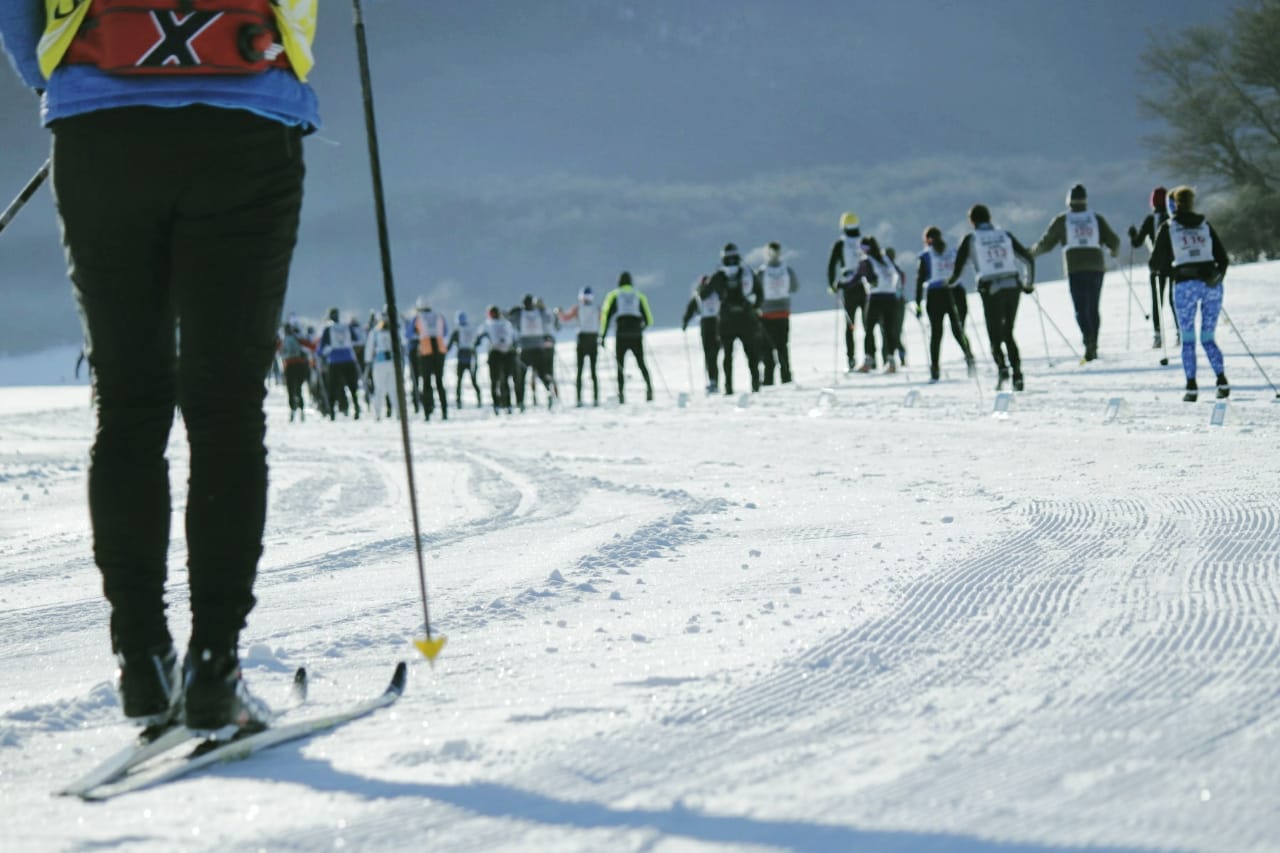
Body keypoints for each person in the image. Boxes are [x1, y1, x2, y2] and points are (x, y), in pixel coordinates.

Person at [0, 0, 319, 734]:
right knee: (226, 405)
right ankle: (214, 668)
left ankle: (142, 659)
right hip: (246, 121)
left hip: (99, 122)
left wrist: (64, 84)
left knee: (128, 403)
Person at [1149, 186, 1230, 402]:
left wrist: (1167, 270)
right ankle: (1221, 380)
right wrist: (1217, 276)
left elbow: (1156, 263)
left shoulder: (1169, 227)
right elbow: (1223, 258)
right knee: (1208, 337)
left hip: (1185, 286)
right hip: (1211, 285)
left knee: (1188, 338)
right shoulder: (1204, 224)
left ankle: (1191, 386)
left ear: (1174, 205)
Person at [947, 205, 1036, 391]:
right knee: (1008, 333)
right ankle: (1017, 375)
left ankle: (1002, 370)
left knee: (995, 335)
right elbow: (1028, 258)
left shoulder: (971, 238)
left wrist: (949, 283)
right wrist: (1028, 284)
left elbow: (958, 270)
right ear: (989, 218)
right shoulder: (1005, 235)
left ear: (972, 221)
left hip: (991, 289)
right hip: (1012, 285)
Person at [1029, 184, 1121, 362]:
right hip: (1096, 267)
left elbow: (1046, 243)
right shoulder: (1095, 218)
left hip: (1075, 268)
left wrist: (1030, 254)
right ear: (1085, 200)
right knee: (1093, 307)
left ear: (1069, 201)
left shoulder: (1063, 220)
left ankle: (1088, 341)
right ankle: (1095, 343)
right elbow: (1114, 241)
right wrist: (1113, 252)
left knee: (1080, 308)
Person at [915, 226, 976, 383]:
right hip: (957, 292)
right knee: (959, 330)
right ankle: (969, 358)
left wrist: (918, 304)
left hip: (936, 295)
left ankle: (935, 369)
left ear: (927, 240)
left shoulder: (926, 255)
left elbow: (920, 280)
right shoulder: (953, 252)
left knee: (936, 334)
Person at [704, 243, 763, 395]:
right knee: (750, 354)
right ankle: (755, 384)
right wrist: (754, 307)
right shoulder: (747, 273)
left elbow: (704, 294)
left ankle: (729, 387)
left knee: (729, 356)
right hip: (744, 319)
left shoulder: (718, 276)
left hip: (727, 321)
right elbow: (759, 292)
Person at [1129, 186, 1176, 348]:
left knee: (1157, 302)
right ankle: (1180, 332)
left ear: (1153, 203)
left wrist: (1132, 234)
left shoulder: (1150, 220)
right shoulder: (1173, 219)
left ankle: (1158, 335)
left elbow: (1137, 243)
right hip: (1175, 264)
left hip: (1156, 265)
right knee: (1174, 299)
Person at [599, 271, 655, 403]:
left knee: (620, 365)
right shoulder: (638, 295)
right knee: (641, 363)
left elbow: (606, 315)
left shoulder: (614, 295)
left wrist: (603, 335)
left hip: (621, 334)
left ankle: (621, 394)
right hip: (636, 333)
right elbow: (649, 319)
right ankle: (649, 389)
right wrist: (641, 327)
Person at [852, 237, 902, 373]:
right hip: (891, 297)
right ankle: (892, 361)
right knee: (889, 330)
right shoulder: (886, 259)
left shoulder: (866, 261)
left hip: (875, 298)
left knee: (869, 329)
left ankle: (868, 361)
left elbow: (856, 278)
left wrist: (840, 284)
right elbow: (899, 275)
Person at [827, 212, 868, 371]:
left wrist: (832, 284)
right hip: (864, 286)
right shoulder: (864, 242)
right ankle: (871, 356)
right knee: (868, 324)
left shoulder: (840, 244)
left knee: (850, 325)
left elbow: (832, 266)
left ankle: (851, 358)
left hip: (848, 287)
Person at [757, 241, 799, 385]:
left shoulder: (762, 272)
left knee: (767, 348)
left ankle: (768, 379)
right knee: (782, 346)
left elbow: (756, 290)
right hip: (783, 313)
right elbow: (794, 287)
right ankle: (786, 376)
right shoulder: (787, 270)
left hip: (766, 314)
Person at [509, 294, 558, 410]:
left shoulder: (519, 314)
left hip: (525, 350)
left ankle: (520, 401)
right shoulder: (539, 313)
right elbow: (550, 320)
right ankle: (549, 391)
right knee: (542, 374)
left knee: (520, 377)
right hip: (539, 349)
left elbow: (510, 320)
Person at [557, 287, 602, 407]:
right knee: (593, 371)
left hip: (582, 340)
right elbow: (602, 319)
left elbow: (565, 318)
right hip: (593, 339)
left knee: (580, 371)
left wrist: (559, 313)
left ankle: (578, 399)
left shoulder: (578, 308)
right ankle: (596, 398)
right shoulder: (597, 308)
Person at [681, 275, 721, 394]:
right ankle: (716, 381)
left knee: (709, 355)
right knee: (715, 354)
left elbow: (690, 310)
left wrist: (685, 322)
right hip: (718, 324)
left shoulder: (698, 295)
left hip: (706, 325)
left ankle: (713, 381)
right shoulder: (717, 293)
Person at [320, 307, 361, 420]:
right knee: (353, 386)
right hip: (348, 358)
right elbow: (356, 339)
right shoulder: (346, 326)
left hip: (334, 360)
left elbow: (321, 347)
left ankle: (332, 411)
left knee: (332, 386)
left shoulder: (328, 328)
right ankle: (356, 407)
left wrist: (323, 354)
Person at [475, 304, 517, 414]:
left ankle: (497, 405)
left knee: (494, 381)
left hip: (495, 353)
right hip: (507, 353)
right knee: (505, 380)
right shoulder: (506, 323)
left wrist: (476, 346)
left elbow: (479, 338)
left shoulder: (488, 324)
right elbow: (514, 339)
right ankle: (507, 404)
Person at [414, 299, 449, 421]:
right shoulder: (439, 316)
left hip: (426, 351)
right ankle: (444, 411)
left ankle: (427, 412)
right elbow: (445, 332)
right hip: (440, 351)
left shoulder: (418, 318)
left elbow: (409, 333)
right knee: (439, 382)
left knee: (426, 383)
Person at [364, 311, 398, 421]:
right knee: (393, 389)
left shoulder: (375, 332)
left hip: (380, 363)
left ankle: (378, 414)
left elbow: (369, 349)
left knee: (379, 389)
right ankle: (397, 413)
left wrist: (368, 361)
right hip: (392, 363)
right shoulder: (393, 331)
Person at [279, 322, 315, 422]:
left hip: (289, 366)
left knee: (291, 389)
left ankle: (293, 410)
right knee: (298, 389)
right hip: (299, 366)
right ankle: (301, 410)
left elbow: (278, 351)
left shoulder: (283, 340)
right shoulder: (297, 338)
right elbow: (311, 346)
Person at [447, 310, 482, 409]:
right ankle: (479, 399)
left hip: (462, 358)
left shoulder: (457, 331)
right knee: (474, 381)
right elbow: (478, 342)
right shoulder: (472, 329)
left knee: (459, 381)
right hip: (472, 357)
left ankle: (458, 402)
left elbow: (449, 345)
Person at [885, 247, 909, 368]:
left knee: (889, 331)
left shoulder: (888, 270)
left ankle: (890, 358)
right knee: (896, 331)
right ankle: (899, 356)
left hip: (892, 303)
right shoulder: (898, 270)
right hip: (898, 303)